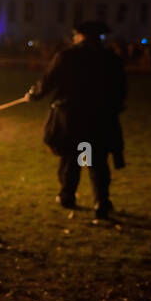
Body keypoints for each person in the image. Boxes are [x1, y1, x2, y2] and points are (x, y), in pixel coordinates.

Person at [25, 20, 126, 220]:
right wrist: (113, 109)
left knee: (72, 158)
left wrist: (34, 94)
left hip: (73, 118)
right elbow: (121, 90)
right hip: (101, 118)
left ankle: (67, 195)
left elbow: (47, 81)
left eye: (75, 35)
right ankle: (101, 202)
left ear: (80, 36)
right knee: (97, 160)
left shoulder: (67, 56)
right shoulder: (111, 59)